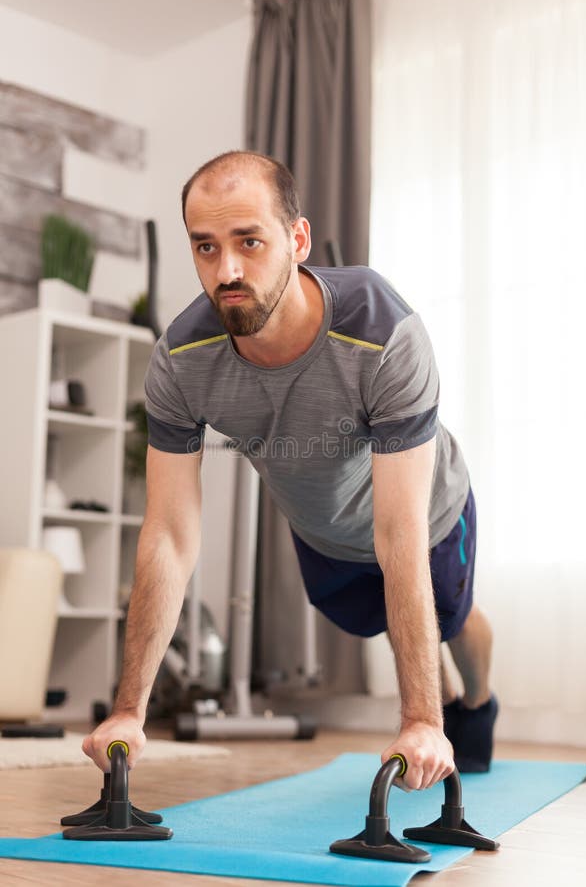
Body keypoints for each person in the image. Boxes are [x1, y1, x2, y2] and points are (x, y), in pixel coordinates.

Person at [83, 150, 497, 791]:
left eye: (249, 241)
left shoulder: (382, 331)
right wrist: (127, 710)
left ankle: (476, 702)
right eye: (205, 247)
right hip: (325, 528)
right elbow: (168, 534)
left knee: (453, 613)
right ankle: (441, 686)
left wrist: (419, 720)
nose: (227, 271)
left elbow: (399, 533)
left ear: (297, 240)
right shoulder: (182, 360)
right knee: (380, 620)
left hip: (427, 513)